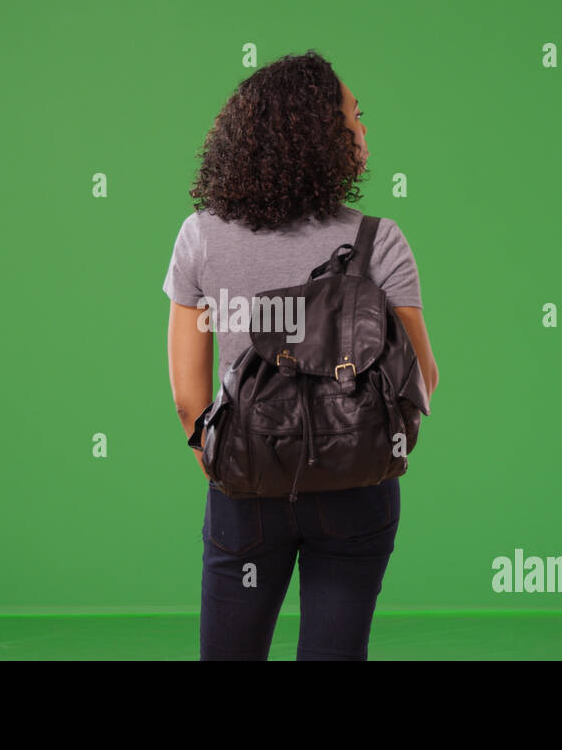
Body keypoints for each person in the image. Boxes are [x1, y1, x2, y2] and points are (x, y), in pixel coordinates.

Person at [163, 50, 439, 660]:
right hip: (354, 482)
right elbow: (420, 381)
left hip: (246, 485)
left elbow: (190, 400)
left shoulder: (200, 236)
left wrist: (224, 469)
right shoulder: (378, 240)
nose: (365, 129)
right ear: (322, 136)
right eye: (355, 116)